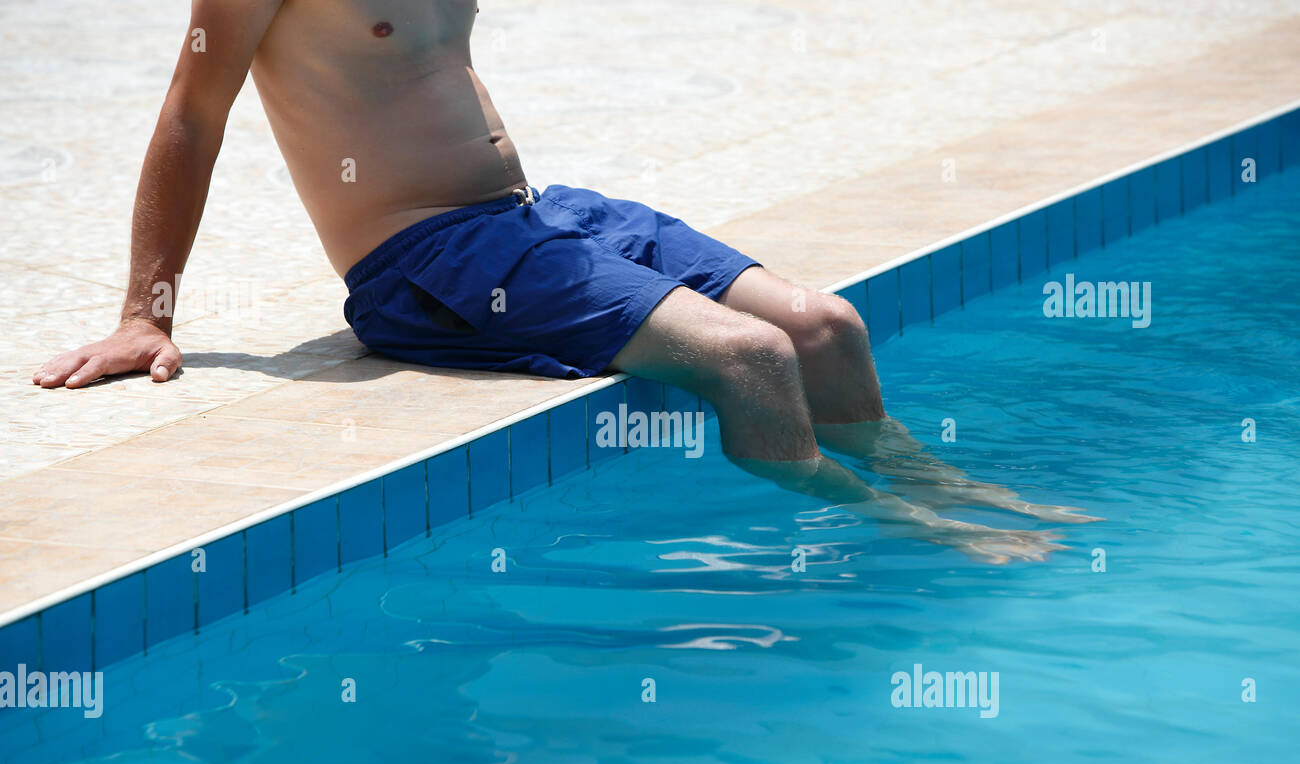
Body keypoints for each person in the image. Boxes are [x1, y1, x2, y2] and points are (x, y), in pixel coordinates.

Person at [31, 1, 1096, 561]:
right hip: (427, 260)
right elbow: (191, 108)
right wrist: (144, 312)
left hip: (535, 217)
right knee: (753, 360)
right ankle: (904, 531)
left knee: (827, 327)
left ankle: (940, 484)